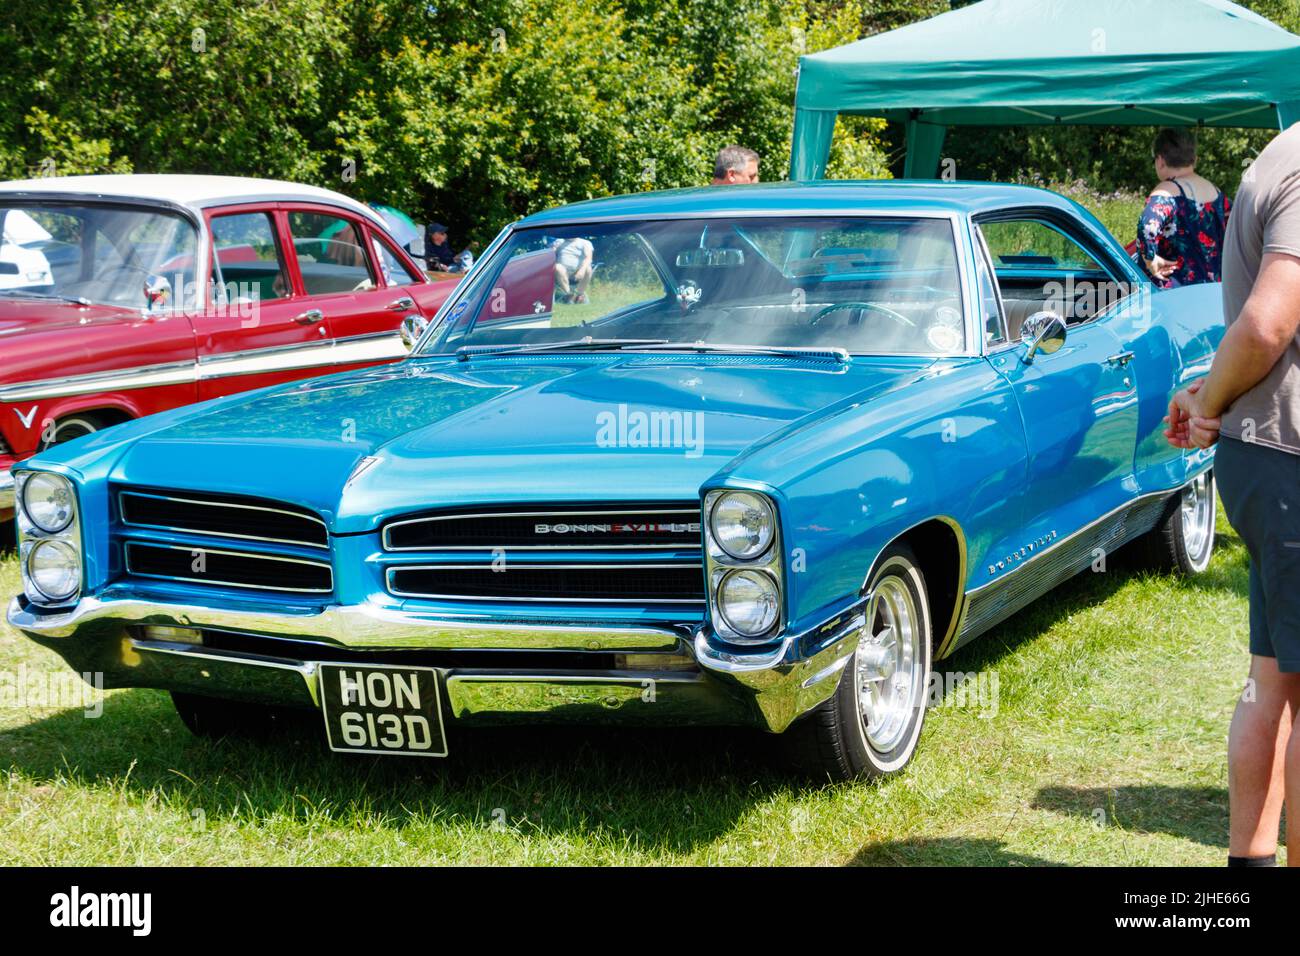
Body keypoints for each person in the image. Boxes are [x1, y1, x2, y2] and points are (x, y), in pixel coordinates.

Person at [1166, 122, 1300, 867]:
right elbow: (1270, 318)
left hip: (1272, 454)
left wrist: (1209, 395)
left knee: (1272, 683)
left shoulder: (1281, 154)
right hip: (1289, 454)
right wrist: (1213, 402)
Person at [1138, 128, 1230, 287]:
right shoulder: (1216, 192)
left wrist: (1150, 259)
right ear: (1195, 159)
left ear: (1160, 160)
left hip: (1176, 293)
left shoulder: (1167, 191)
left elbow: (1147, 228)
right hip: (1214, 290)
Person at [553, 236, 594, 304]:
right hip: (561, 273)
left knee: (588, 268)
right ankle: (569, 295)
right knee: (558, 267)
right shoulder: (559, 241)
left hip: (578, 272)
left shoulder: (585, 242)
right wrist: (554, 248)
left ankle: (579, 295)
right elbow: (551, 255)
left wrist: (582, 270)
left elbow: (588, 258)